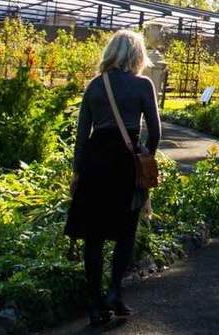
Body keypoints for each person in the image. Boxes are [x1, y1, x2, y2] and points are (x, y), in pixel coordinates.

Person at [65, 30, 161, 326]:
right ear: (137, 55)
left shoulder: (94, 86)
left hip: (95, 162)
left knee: (93, 237)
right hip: (126, 164)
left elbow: (82, 137)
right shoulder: (143, 85)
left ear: (110, 53)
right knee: (125, 232)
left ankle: (94, 304)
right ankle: (115, 294)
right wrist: (144, 155)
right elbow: (156, 132)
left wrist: (77, 172)